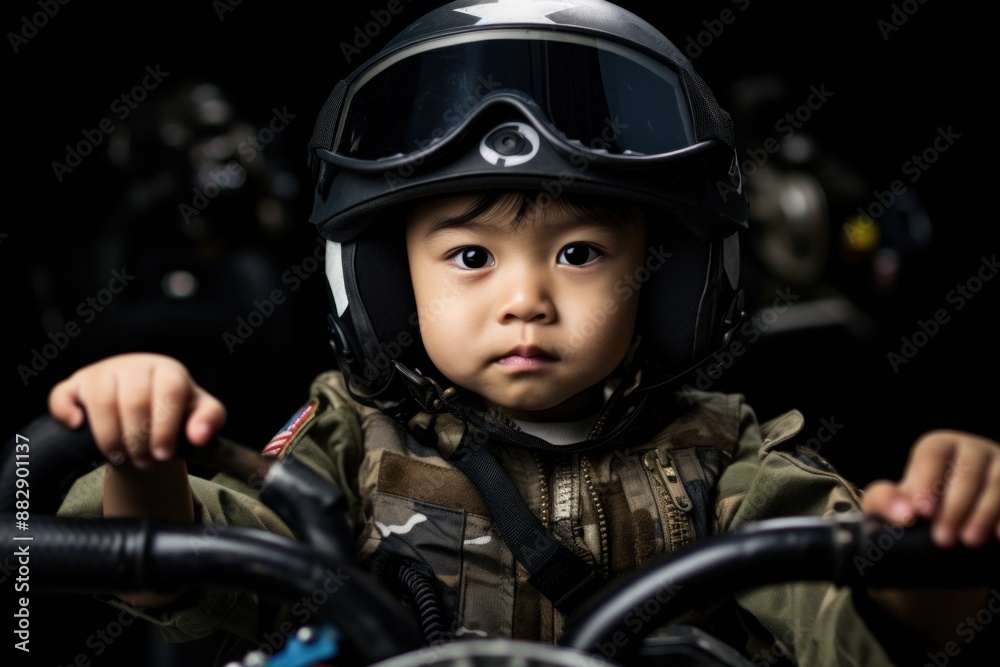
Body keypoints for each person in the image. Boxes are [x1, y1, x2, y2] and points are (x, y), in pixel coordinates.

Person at [50, 1, 999, 665]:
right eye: (471, 258)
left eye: (580, 252)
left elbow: (874, 632)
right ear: (387, 279)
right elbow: (189, 568)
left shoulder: (735, 460)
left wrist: (938, 543)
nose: (526, 299)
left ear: (667, 278)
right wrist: (145, 450)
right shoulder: (348, 442)